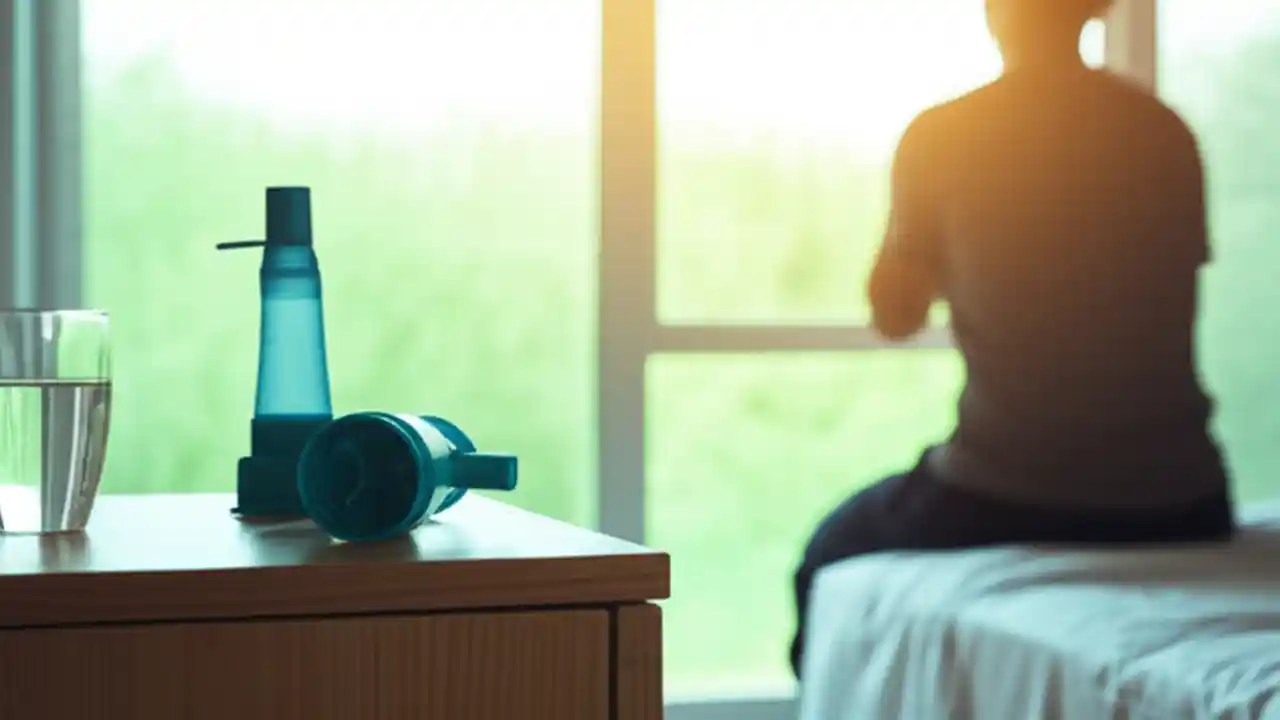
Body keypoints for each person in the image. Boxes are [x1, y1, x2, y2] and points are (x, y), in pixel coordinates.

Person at [790, 0, 1236, 678]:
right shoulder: (1162, 132)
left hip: (1008, 492)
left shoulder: (944, 136)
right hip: (1185, 499)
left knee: (825, 559)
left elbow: (895, 315)